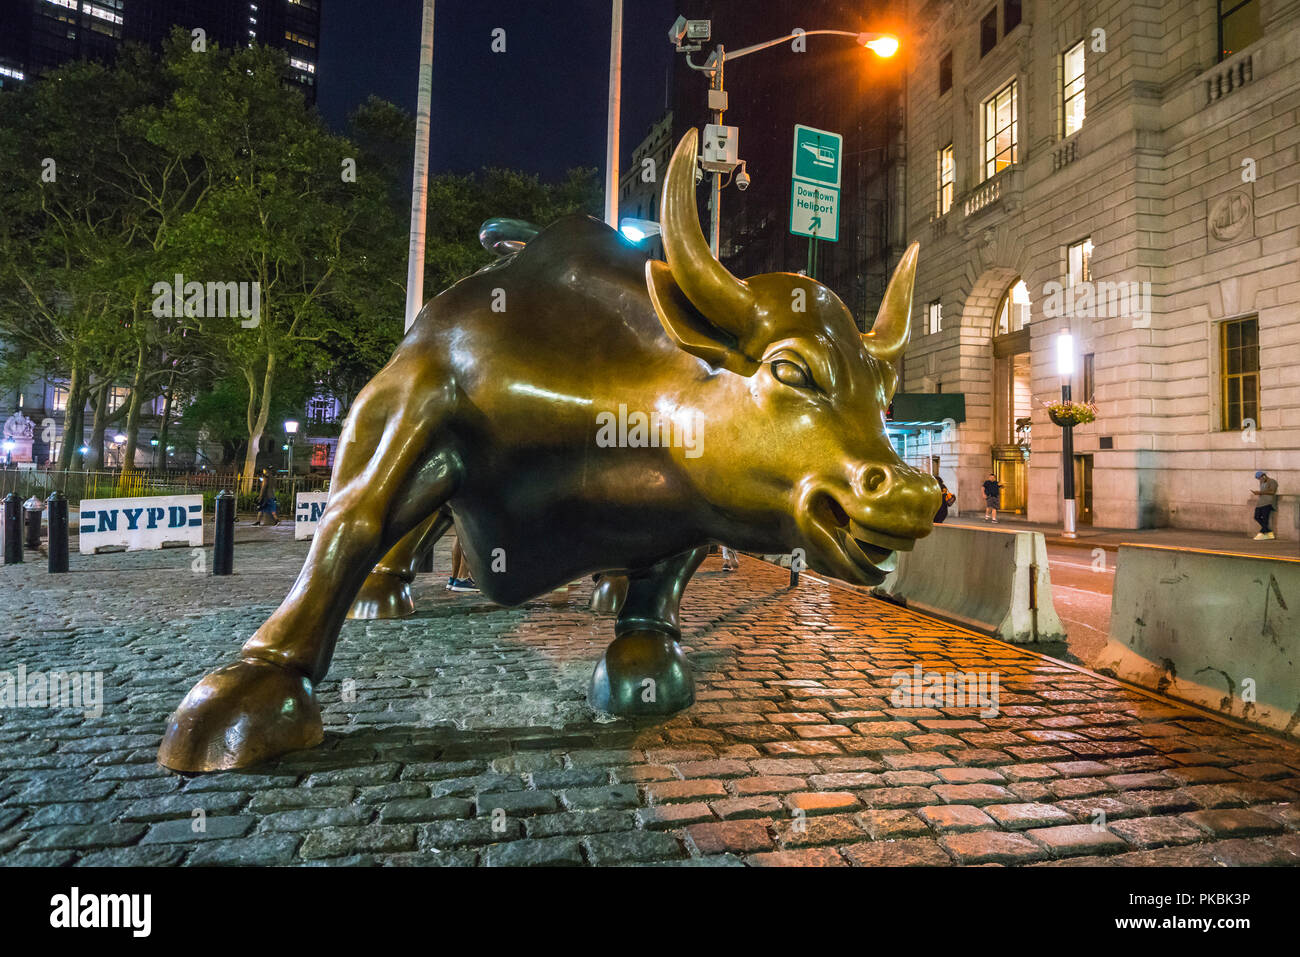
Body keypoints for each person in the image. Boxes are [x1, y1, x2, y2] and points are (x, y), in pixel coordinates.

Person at [1251, 470, 1279, 540]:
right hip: (1260, 502)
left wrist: (1260, 492)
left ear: (1264, 476)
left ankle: (1262, 533)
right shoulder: (1261, 482)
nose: (1259, 480)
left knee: (1265, 519)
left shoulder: (1272, 481)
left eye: (1260, 478)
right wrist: (1258, 493)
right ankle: (1269, 532)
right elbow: (1263, 492)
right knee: (1256, 517)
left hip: (1268, 502)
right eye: (1258, 479)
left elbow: (1272, 491)